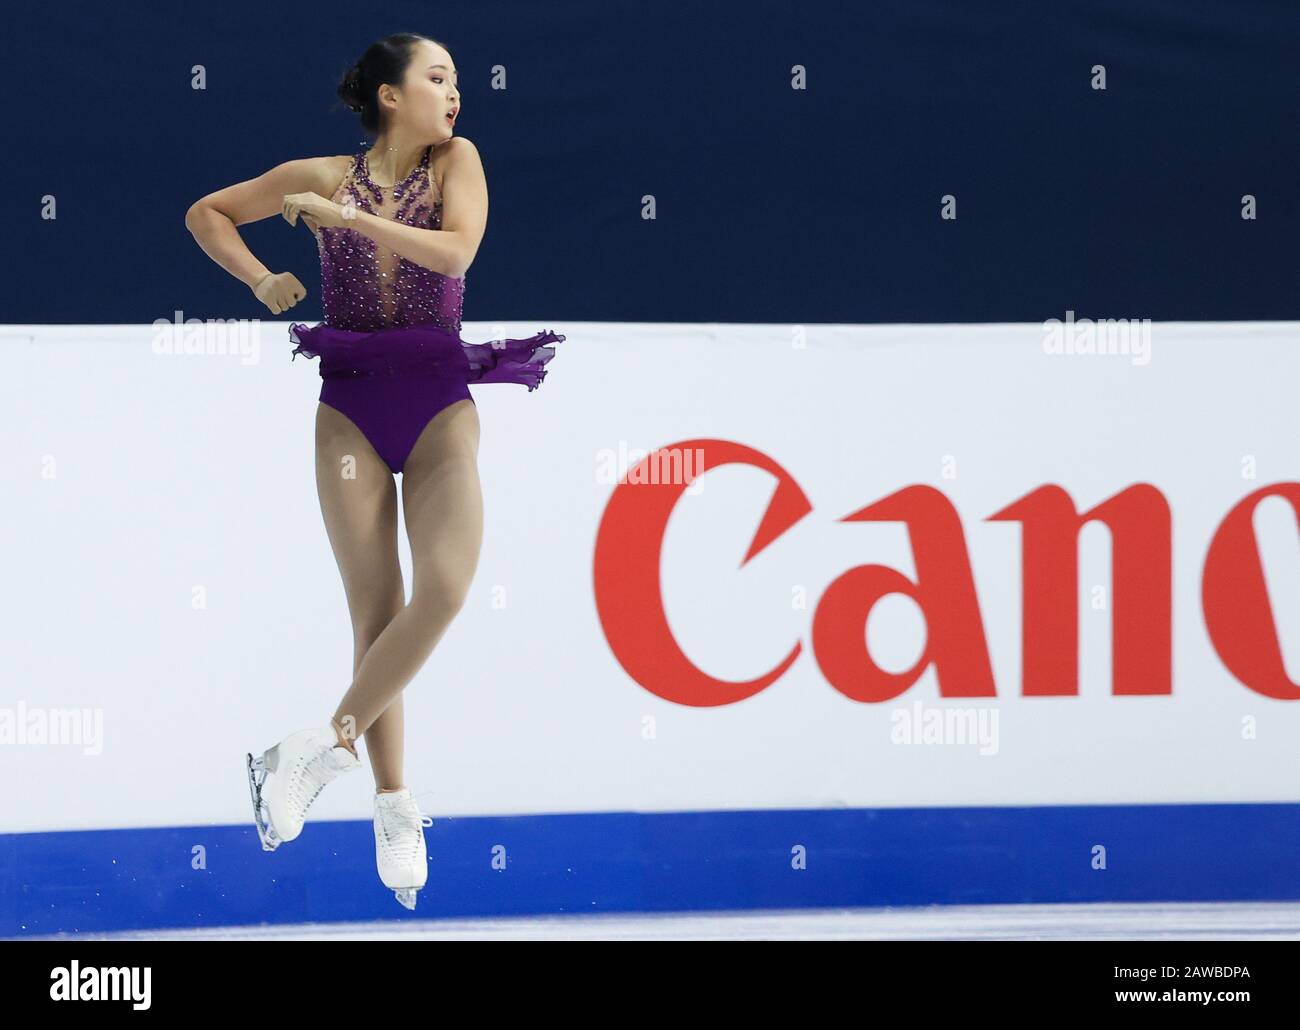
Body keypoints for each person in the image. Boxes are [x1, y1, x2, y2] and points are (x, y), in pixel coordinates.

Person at [184, 32, 563, 909]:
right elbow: (208, 212)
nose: (455, 94)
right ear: (390, 96)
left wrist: (347, 221)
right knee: (376, 612)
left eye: (458, 81)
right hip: (350, 403)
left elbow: (457, 253)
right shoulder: (316, 174)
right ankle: (394, 802)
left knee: (447, 587)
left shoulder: (454, 161)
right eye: (438, 78)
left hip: (435, 397)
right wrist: (258, 279)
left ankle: (321, 748)